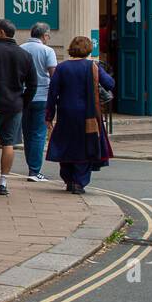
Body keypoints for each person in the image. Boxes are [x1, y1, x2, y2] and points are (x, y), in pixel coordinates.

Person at [46, 36, 114, 194]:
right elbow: (110, 84)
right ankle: (78, 182)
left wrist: (49, 116)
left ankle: (68, 179)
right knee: (85, 147)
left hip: (65, 114)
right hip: (88, 115)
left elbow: (52, 93)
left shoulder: (62, 68)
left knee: (66, 145)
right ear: (88, 49)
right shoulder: (93, 66)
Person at [0, 19, 37, 197]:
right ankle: (3, 183)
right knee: (8, 144)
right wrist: (22, 102)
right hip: (14, 107)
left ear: (2, 32)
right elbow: (33, 84)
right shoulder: (24, 55)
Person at [21, 23, 59, 181]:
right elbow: (54, 75)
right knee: (38, 134)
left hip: (23, 96)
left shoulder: (21, 48)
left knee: (27, 133)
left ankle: (32, 168)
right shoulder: (48, 51)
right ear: (44, 36)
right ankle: (34, 171)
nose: (48, 39)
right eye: (48, 36)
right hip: (43, 97)